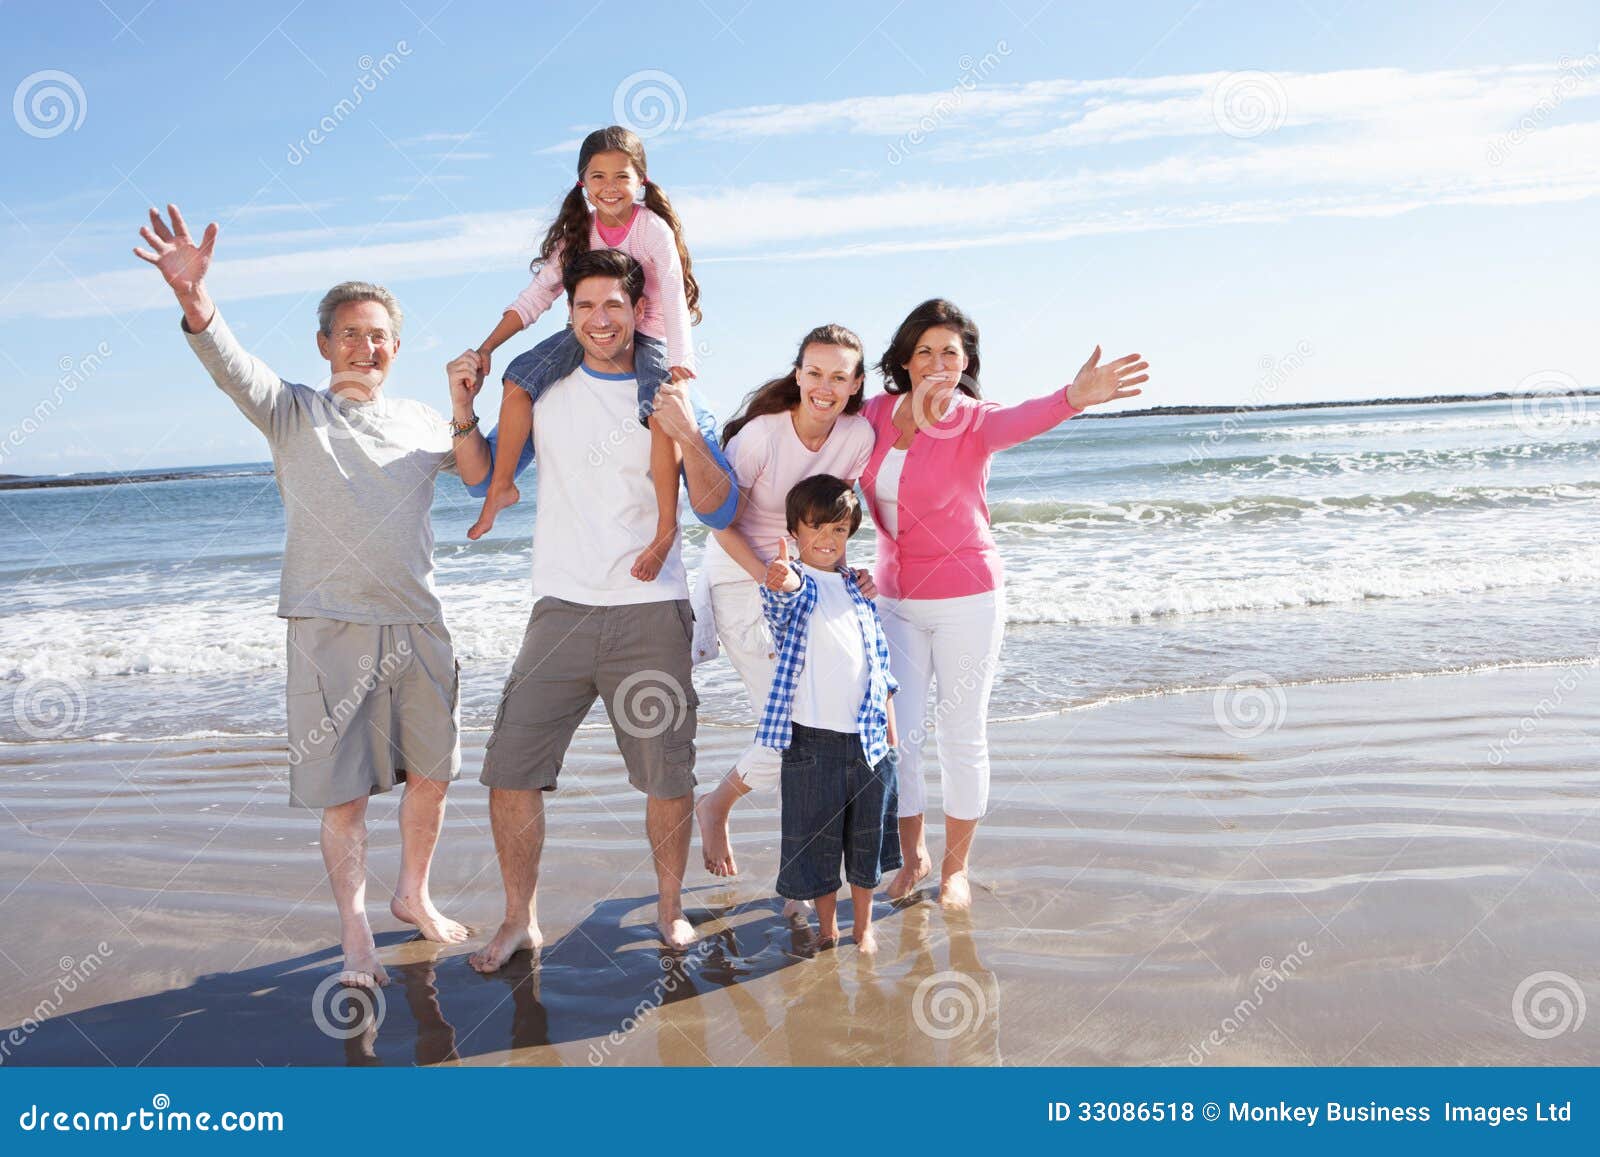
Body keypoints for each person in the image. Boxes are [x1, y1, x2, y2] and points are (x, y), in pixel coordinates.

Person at [133, 204, 492, 988]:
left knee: (435, 773)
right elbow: (230, 364)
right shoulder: (292, 410)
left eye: (379, 335)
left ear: (396, 348)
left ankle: (413, 892)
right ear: (324, 343)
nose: (366, 346)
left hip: (419, 623)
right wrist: (194, 296)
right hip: (331, 629)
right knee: (345, 795)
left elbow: (478, 474)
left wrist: (465, 408)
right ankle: (355, 930)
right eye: (351, 333)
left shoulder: (422, 419)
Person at [463, 248, 737, 970]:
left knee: (666, 774)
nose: (599, 318)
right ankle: (519, 919)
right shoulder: (544, 387)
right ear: (569, 311)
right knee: (510, 769)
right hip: (560, 610)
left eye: (613, 303)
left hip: (650, 610)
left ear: (638, 308)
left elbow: (722, 506)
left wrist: (691, 434)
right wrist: (463, 410)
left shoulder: (672, 390)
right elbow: (482, 480)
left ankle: (670, 908)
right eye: (584, 305)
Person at [859, 298, 1148, 910]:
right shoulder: (874, 414)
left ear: (966, 363)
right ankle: (912, 857)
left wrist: (1072, 398)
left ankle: (956, 869)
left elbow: (1024, 417)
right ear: (905, 360)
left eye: (951, 352)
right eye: (925, 351)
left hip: (967, 597)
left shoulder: (974, 421)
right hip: (893, 600)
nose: (938, 363)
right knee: (898, 737)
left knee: (961, 733)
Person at [465, 125, 699, 586]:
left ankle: (665, 528)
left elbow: (673, 295)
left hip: (648, 332)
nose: (610, 187)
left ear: (641, 181)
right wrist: (487, 346)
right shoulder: (580, 233)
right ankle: (501, 486)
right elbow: (537, 295)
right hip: (591, 332)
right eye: (598, 177)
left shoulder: (652, 229)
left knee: (659, 412)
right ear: (583, 183)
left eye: (622, 176)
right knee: (518, 378)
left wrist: (681, 364)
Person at [691, 326, 877, 884]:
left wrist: (844, 578)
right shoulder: (759, 437)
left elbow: (831, 520)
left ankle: (801, 877)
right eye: (814, 373)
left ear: (855, 384)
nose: (825, 387)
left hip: (806, 581)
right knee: (790, 731)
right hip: (741, 576)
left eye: (839, 377)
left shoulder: (857, 437)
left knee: (817, 721)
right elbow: (719, 524)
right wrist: (770, 579)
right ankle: (718, 808)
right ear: (798, 375)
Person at [757, 476, 900, 952]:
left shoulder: (857, 588)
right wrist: (782, 581)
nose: (827, 538)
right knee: (816, 843)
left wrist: (892, 732)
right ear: (794, 532)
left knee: (865, 841)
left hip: (870, 741)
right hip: (812, 743)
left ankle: (863, 926)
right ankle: (827, 927)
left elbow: (880, 664)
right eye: (815, 527)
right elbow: (784, 601)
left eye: (838, 529)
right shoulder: (798, 584)